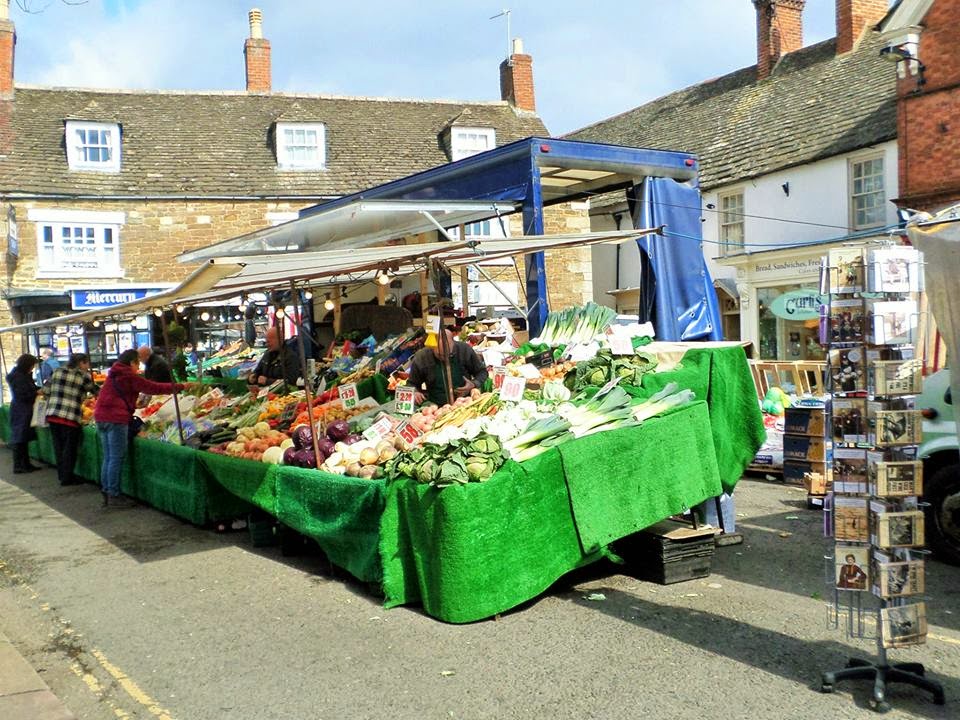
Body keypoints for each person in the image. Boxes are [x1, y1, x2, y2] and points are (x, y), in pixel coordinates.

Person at [94, 349, 189, 508]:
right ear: (132, 362)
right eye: (137, 363)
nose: (138, 367)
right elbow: (152, 387)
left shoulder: (113, 375)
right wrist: (181, 386)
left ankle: (106, 490)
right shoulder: (128, 376)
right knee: (116, 457)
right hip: (116, 419)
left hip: (101, 417)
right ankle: (114, 494)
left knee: (108, 457)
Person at [45, 353, 99, 486]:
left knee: (59, 447)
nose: (88, 367)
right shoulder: (83, 376)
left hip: (53, 414)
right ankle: (67, 477)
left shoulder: (57, 371)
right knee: (69, 448)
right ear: (81, 363)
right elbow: (96, 391)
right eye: (87, 363)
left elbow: (45, 390)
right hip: (70, 416)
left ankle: (62, 475)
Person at [407, 328, 488, 406]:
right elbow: (411, 383)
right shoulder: (421, 358)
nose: (445, 358)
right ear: (432, 347)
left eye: (448, 354)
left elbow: (482, 372)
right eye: (440, 355)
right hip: (435, 407)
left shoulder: (465, 350)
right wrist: (415, 392)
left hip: (464, 404)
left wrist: (473, 384)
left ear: (453, 343)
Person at [6, 354, 41, 474]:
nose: (33, 368)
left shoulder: (20, 375)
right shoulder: (19, 377)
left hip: (21, 408)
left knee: (23, 437)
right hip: (22, 409)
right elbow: (24, 394)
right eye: (32, 366)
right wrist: (36, 393)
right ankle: (19, 465)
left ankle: (25, 463)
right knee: (20, 437)